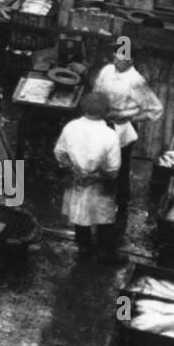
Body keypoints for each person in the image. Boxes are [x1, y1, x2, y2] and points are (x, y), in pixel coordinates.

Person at [92, 48, 163, 215]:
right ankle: (98, 199)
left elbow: (156, 110)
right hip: (100, 124)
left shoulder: (136, 81)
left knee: (120, 168)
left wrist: (129, 117)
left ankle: (121, 205)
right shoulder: (107, 70)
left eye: (121, 58)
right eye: (115, 55)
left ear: (131, 61)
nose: (116, 60)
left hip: (121, 130)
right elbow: (96, 91)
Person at [53, 93, 122, 263]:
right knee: (104, 218)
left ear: (83, 108)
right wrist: (95, 176)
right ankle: (107, 255)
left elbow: (60, 152)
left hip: (76, 180)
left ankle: (84, 250)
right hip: (100, 184)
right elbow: (113, 169)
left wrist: (75, 170)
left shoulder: (71, 127)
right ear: (106, 111)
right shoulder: (110, 135)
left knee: (80, 215)